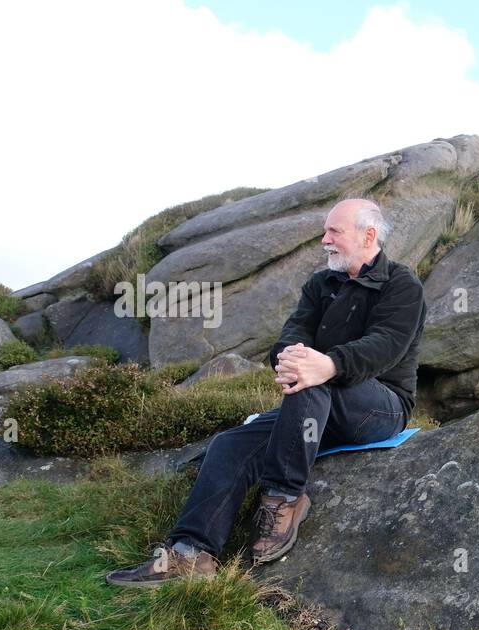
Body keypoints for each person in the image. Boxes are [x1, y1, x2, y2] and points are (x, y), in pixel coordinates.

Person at [106, 197, 426, 587]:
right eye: (325, 231)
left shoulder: (401, 284)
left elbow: (385, 345)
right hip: (314, 406)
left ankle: (285, 499)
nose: (324, 240)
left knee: (310, 380)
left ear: (368, 235)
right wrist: (289, 354)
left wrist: (328, 365)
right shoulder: (320, 284)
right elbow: (293, 332)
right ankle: (191, 554)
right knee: (229, 446)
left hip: (380, 408)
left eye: (333, 232)